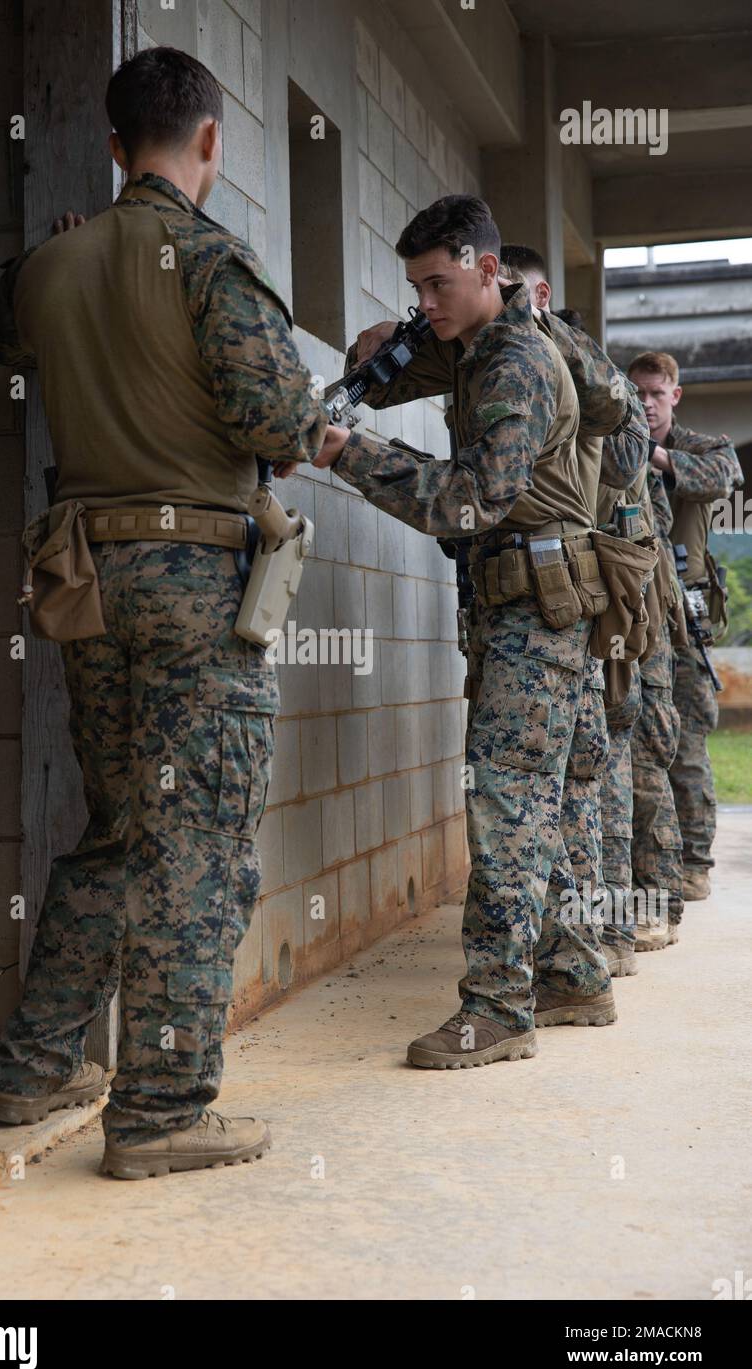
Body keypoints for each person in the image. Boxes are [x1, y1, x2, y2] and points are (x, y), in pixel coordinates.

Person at [0, 46, 343, 1179]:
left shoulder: (51, 267)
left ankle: (35, 1065)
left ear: (114, 138)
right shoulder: (213, 264)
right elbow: (280, 425)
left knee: (123, 828)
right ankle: (161, 1110)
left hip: (87, 588)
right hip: (194, 593)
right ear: (212, 142)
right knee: (201, 852)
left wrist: (69, 250)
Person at [314, 195, 629, 1069]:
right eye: (416, 286)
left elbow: (468, 500)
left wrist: (348, 452)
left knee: (506, 801)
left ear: (491, 270)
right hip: (525, 607)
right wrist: (375, 351)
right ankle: (570, 970)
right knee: (546, 798)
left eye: (439, 282)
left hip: (536, 611)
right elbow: (390, 368)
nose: (427, 302)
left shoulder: (517, 363)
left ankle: (498, 1008)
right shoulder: (471, 349)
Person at [498, 245, 649, 980]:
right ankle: (576, 951)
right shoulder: (498, 365)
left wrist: (547, 331)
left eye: (514, 296)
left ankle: (597, 942)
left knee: (586, 776)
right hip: (512, 605)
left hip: (576, 605)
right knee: (565, 783)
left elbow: (625, 459)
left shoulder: (578, 376)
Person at [627, 352, 742, 902]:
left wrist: (660, 459)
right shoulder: (618, 443)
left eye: (655, 392)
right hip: (634, 615)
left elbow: (725, 477)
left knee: (688, 742)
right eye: (638, 393)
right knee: (642, 741)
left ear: (675, 394)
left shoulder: (702, 447)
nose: (646, 403)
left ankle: (695, 861)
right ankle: (648, 862)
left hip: (686, 617)